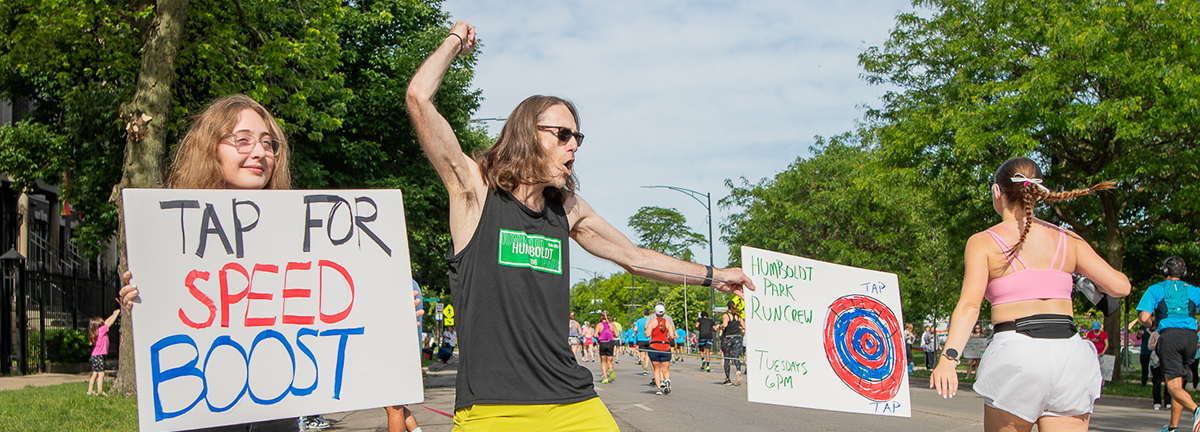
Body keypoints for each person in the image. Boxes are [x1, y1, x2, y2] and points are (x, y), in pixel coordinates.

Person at [406, 20, 754, 431]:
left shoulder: (567, 209)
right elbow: (418, 98)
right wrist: (453, 41)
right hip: (495, 408)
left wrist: (714, 277)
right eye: (563, 134)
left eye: (578, 137)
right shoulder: (475, 191)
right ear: (527, 135)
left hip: (572, 400)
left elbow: (635, 257)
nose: (574, 144)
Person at [118, 95, 423, 432]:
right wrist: (143, 303)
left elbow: (335, 312)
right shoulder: (170, 237)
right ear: (210, 148)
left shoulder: (303, 237)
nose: (260, 152)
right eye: (243, 140)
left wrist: (389, 320)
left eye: (269, 143)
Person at [931, 157, 1130, 432]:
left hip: (1017, 351)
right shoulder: (1068, 239)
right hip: (1070, 355)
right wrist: (1082, 278)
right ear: (1038, 193)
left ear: (996, 192)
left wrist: (948, 359)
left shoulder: (983, 242)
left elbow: (969, 307)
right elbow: (1121, 287)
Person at [1137, 256, 1200, 432]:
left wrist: (1153, 325)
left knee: (1172, 386)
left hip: (1170, 337)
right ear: (1184, 273)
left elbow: (1143, 317)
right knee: (1177, 385)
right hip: (1190, 339)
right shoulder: (1194, 290)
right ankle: (1173, 428)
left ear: (1164, 271)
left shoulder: (1156, 289)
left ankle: (1197, 410)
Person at [86, 308, 121, 396]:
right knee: (101, 374)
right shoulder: (101, 331)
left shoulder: (97, 332)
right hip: (98, 356)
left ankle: (90, 391)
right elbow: (109, 323)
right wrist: (116, 315)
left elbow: (106, 322)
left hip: (95, 355)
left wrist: (113, 314)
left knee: (95, 374)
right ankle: (100, 392)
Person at [645, 303, 676, 395]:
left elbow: (647, 334)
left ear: (655, 312)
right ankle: (667, 379)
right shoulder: (668, 323)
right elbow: (671, 336)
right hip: (665, 347)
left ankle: (659, 388)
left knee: (656, 368)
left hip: (654, 347)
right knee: (665, 368)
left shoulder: (652, 322)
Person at [718, 300, 745, 386]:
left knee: (727, 358)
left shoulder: (726, 316)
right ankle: (738, 370)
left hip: (728, 338)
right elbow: (744, 327)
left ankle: (728, 379)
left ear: (727, 307)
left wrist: (719, 326)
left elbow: (725, 325)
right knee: (736, 356)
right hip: (737, 337)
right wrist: (741, 334)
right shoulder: (738, 317)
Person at [596, 311, 618, 383]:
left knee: (603, 361)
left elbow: (595, 335)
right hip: (610, 343)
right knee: (610, 360)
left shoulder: (599, 325)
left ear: (601, 317)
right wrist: (612, 335)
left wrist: (599, 336)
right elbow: (617, 335)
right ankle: (610, 369)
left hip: (602, 343)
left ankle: (605, 377)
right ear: (609, 317)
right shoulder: (612, 325)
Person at [635, 308, 653, 376]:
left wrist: (637, 331)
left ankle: (644, 368)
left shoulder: (639, 321)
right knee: (648, 354)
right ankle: (646, 368)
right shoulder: (651, 321)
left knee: (642, 354)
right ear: (650, 313)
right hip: (649, 339)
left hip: (641, 339)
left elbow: (635, 329)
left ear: (643, 313)